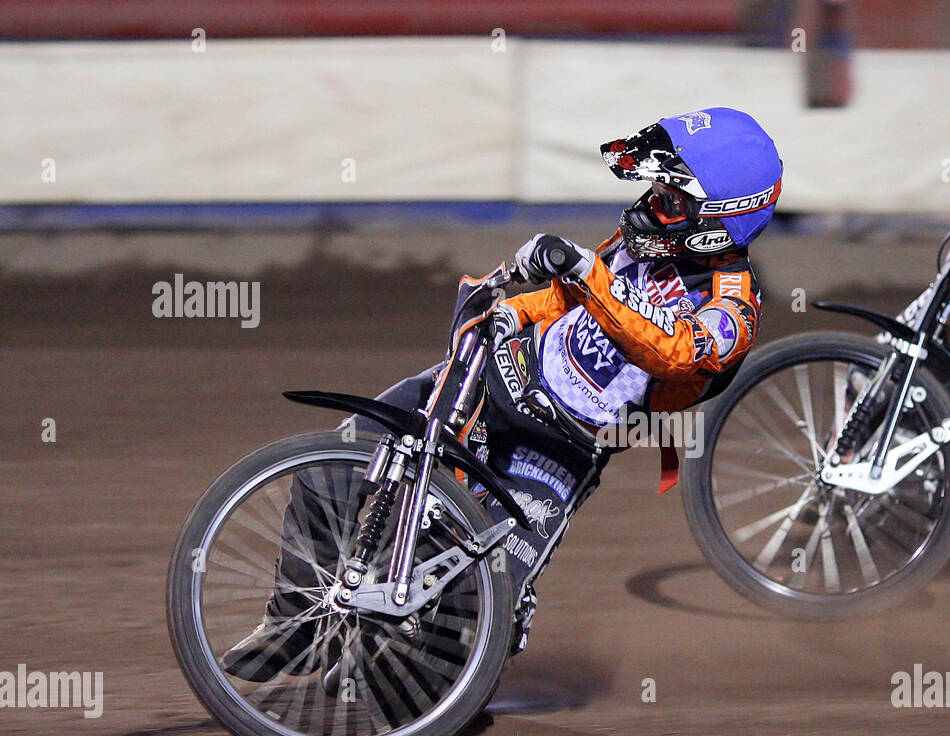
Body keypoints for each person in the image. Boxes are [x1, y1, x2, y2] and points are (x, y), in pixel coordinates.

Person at [221, 107, 783, 679]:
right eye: (658, 184)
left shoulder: (735, 302)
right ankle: (295, 619)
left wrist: (587, 273)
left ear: (718, 217)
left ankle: (401, 667)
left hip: (559, 452)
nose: (652, 201)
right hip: (493, 377)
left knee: (466, 628)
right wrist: (511, 305)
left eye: (671, 195)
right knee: (333, 461)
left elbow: (677, 350)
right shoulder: (645, 241)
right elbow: (569, 299)